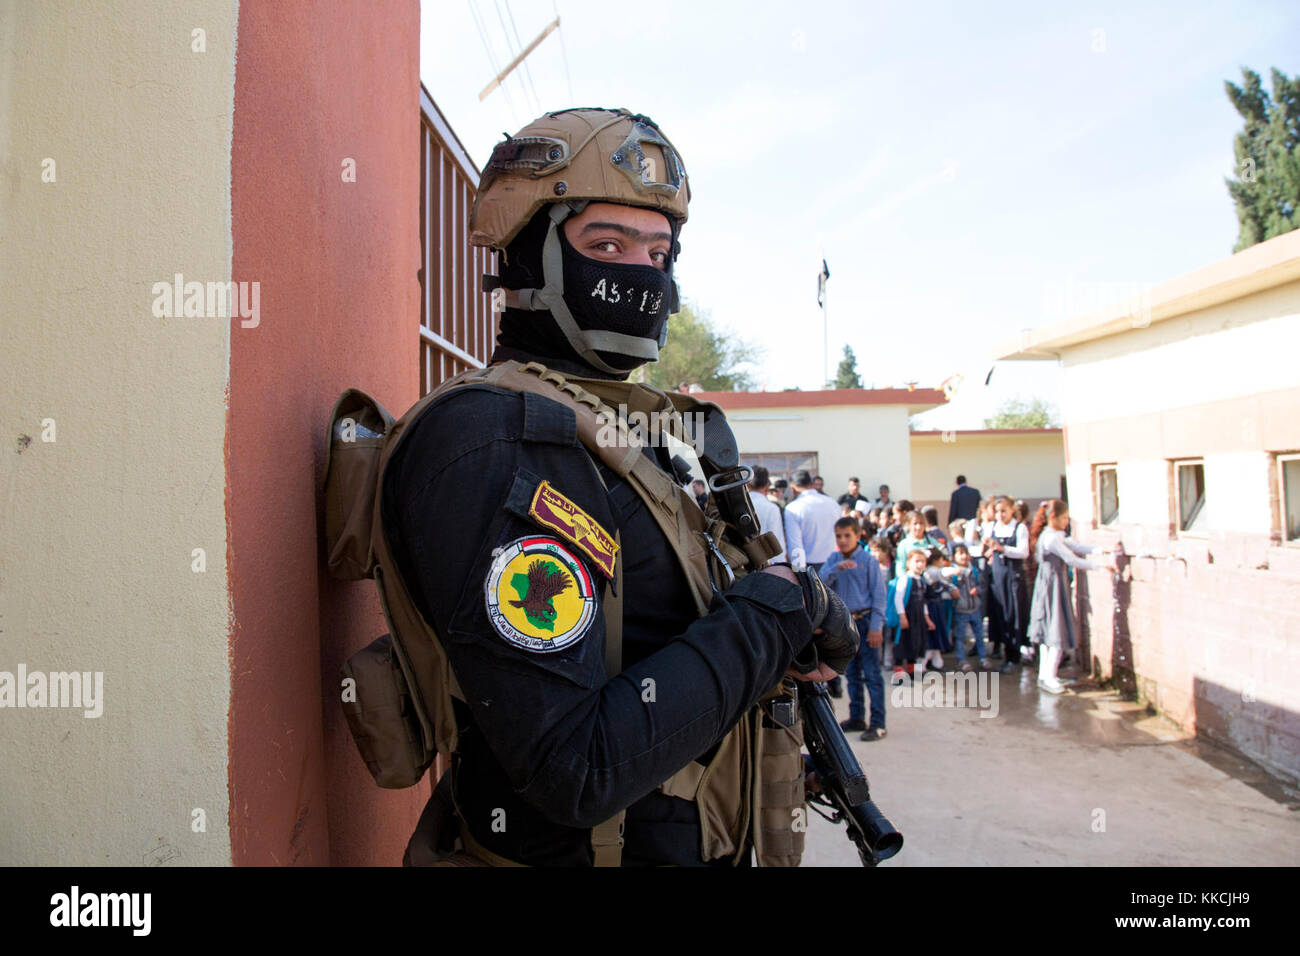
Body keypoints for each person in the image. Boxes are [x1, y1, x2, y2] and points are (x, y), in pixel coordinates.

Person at [384, 107, 856, 868]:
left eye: (658, 251)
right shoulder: (495, 442)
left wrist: (793, 615)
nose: (640, 272)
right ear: (529, 251)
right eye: (606, 244)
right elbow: (574, 766)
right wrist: (769, 619)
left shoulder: (635, 432)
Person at [1027, 500, 1116, 693]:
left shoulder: (1054, 536)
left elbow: (1076, 546)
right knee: (1056, 628)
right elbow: (1071, 558)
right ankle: (1049, 676)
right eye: (1065, 518)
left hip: (1049, 584)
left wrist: (1102, 550)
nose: (1067, 522)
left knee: (1048, 629)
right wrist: (1099, 566)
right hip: (1053, 585)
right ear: (1053, 517)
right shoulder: (1050, 538)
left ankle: (1046, 675)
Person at [820, 517, 887, 741]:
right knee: (851, 674)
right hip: (845, 625)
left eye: (848, 535)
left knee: (872, 675)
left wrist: (876, 627)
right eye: (839, 536)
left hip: (866, 622)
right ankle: (857, 716)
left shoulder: (869, 561)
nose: (843, 540)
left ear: (858, 536)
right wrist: (835, 569)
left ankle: (878, 723)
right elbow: (820, 585)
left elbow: (879, 597)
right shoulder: (834, 559)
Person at [985, 495, 1030, 675]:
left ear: (1012, 510)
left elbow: (1023, 552)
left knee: (1014, 614)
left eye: (1004, 511)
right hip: (997, 578)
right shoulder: (993, 528)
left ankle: (1015, 655)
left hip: (1013, 577)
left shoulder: (1019, 528)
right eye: (998, 512)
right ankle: (1004, 651)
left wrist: (1003, 549)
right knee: (1000, 614)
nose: (1001, 515)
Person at [887, 548, 934, 685]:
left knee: (915, 644)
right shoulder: (904, 579)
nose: (920, 564)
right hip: (907, 617)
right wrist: (902, 616)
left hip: (918, 619)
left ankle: (911, 671)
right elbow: (898, 598)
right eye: (917, 561)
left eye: (922, 561)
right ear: (909, 563)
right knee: (902, 644)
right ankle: (898, 674)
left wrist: (927, 618)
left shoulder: (922, 581)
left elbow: (923, 602)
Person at [784, 468, 841, 571]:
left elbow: (795, 545)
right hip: (835, 562)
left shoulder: (793, 508)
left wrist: (799, 573)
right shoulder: (832, 503)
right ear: (812, 484)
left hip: (810, 566)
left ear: (792, 488)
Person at [943, 543, 989, 670]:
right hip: (961, 609)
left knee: (979, 635)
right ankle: (961, 659)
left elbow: (982, 585)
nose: (963, 556)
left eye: (965, 553)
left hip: (974, 607)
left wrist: (978, 590)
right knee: (960, 636)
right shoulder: (952, 572)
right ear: (954, 556)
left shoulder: (974, 570)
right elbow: (946, 586)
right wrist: (953, 591)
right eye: (960, 553)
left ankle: (983, 657)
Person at [747, 465, 787, 564]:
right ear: (767, 485)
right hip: (767, 564)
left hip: (741, 565)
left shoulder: (738, 506)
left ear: (747, 484)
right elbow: (776, 543)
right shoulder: (772, 508)